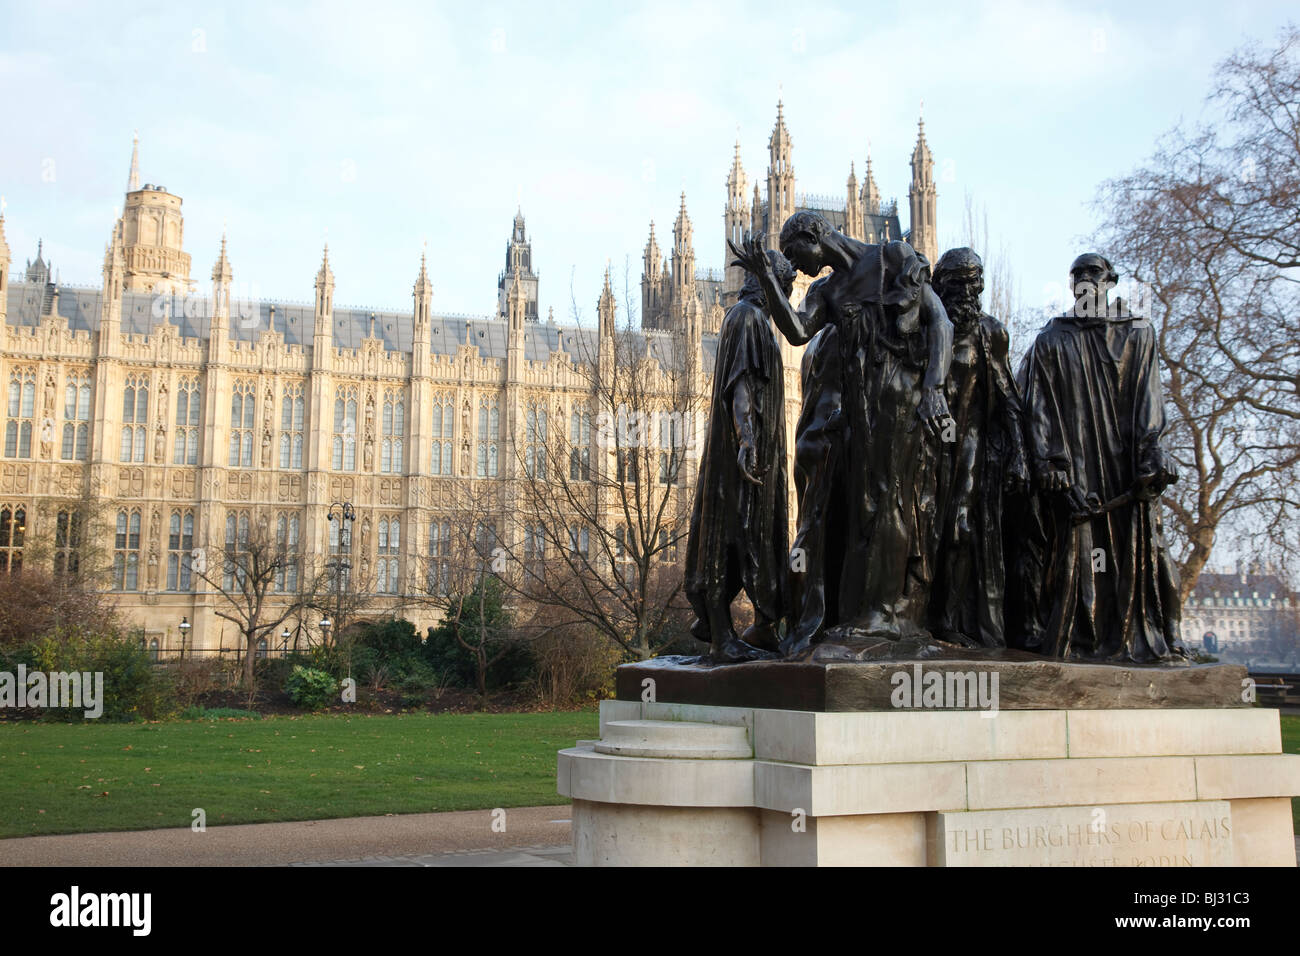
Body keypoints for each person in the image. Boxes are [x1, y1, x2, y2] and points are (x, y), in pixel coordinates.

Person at [730, 213, 953, 653]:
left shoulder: (893, 257)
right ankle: (860, 609)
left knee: (889, 498)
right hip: (857, 411)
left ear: (816, 238)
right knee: (863, 504)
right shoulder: (827, 291)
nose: (798, 267)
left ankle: (884, 614)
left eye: (797, 254)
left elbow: (939, 322)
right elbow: (795, 331)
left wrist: (933, 387)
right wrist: (764, 277)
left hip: (901, 399)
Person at [1020, 253, 1185, 662]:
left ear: (1111, 281)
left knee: (1145, 554)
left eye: (1093, 273)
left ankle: (1154, 637)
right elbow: (1036, 406)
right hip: (1076, 472)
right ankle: (1083, 642)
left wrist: (1152, 450)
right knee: (1079, 564)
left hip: (1125, 470)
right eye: (1077, 274)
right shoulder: (1053, 339)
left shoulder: (1138, 333)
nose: (1084, 281)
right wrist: (1048, 465)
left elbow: (1150, 398)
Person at [685, 249, 795, 662]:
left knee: (751, 534)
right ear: (770, 286)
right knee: (733, 533)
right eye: (783, 290)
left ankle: (753, 627)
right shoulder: (748, 318)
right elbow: (742, 385)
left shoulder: (750, 320)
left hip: (754, 451)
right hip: (742, 455)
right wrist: (746, 440)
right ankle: (720, 635)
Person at [929, 247, 1028, 647]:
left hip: (969, 443)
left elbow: (1008, 398)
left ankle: (950, 620)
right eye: (959, 284)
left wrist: (1019, 454)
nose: (968, 292)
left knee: (961, 527)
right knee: (922, 531)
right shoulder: (927, 328)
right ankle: (921, 616)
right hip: (927, 445)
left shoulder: (990, 333)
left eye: (974, 284)